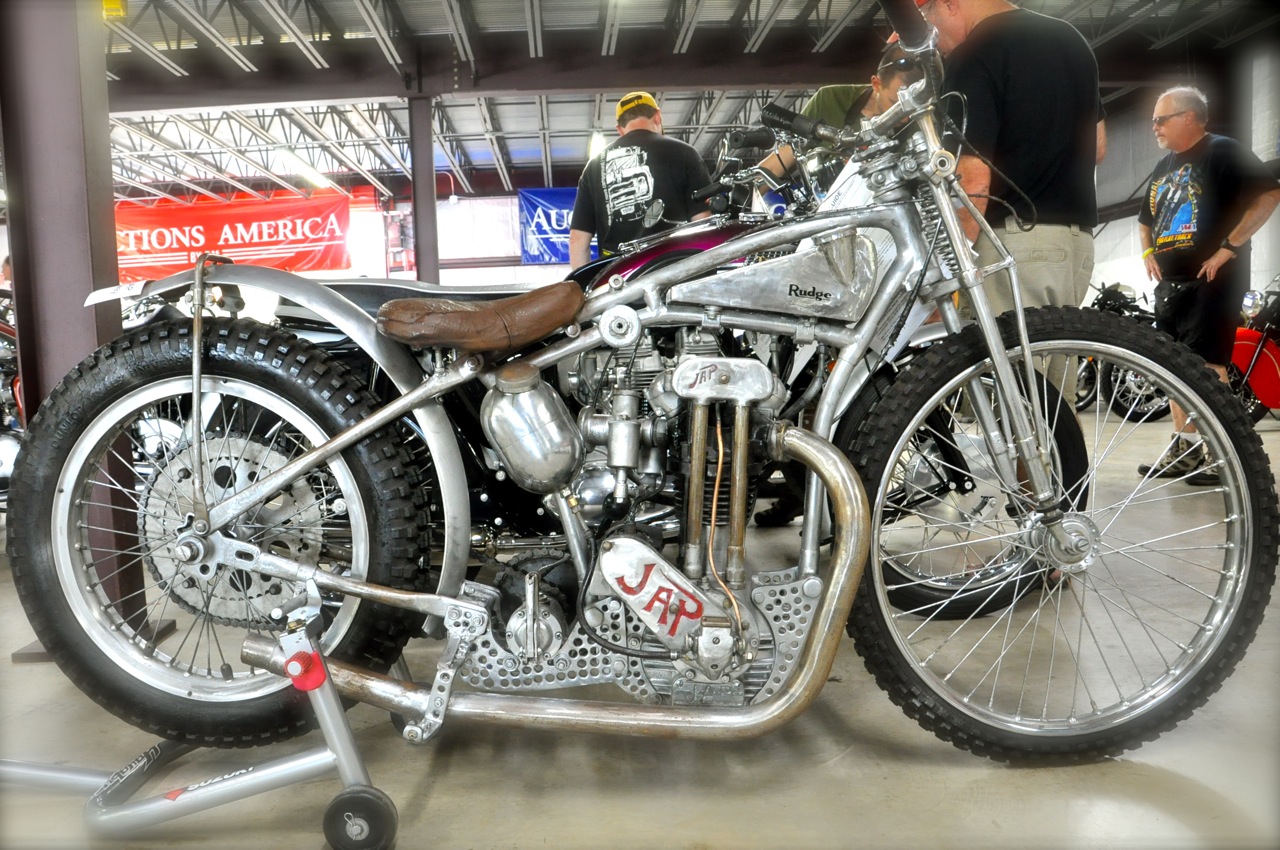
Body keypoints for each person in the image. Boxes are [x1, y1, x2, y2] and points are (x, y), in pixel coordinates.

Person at [753, 46, 924, 528]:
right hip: (820, 248)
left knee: (849, 373)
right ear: (876, 82)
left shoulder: (912, 122)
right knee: (800, 376)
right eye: (897, 92)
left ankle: (827, 493)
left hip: (876, 249)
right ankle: (802, 487)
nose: (903, 103)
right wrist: (781, 205)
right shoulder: (833, 102)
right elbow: (773, 169)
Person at [923, 0, 1106, 365]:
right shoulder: (1070, 39)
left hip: (1012, 247)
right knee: (1055, 408)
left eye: (929, 19)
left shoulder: (973, 54)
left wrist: (944, 270)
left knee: (1015, 403)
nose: (934, 38)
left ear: (948, 4)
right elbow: (1098, 146)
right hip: (1075, 247)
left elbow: (973, 178)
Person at [1136, 86, 1280, 485]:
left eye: (1161, 119)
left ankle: (1219, 457)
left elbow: (1269, 194)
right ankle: (1185, 452)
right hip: (1171, 283)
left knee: (1207, 366)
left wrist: (1229, 247)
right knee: (1174, 367)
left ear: (1189, 117)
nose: (1154, 127)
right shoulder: (1164, 165)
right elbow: (1144, 221)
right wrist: (1148, 255)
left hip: (1212, 279)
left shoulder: (1223, 151)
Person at [568, 92, 712, 271]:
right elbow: (703, 224)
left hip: (617, 280)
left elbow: (578, 239)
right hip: (672, 275)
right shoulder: (686, 153)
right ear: (657, 116)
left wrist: (582, 290)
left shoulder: (594, 166)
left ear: (619, 129)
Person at [758, 43, 924, 189]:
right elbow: (781, 161)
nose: (905, 118)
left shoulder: (920, 120)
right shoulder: (830, 100)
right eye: (895, 103)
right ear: (876, 84)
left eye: (909, 109)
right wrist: (740, 195)